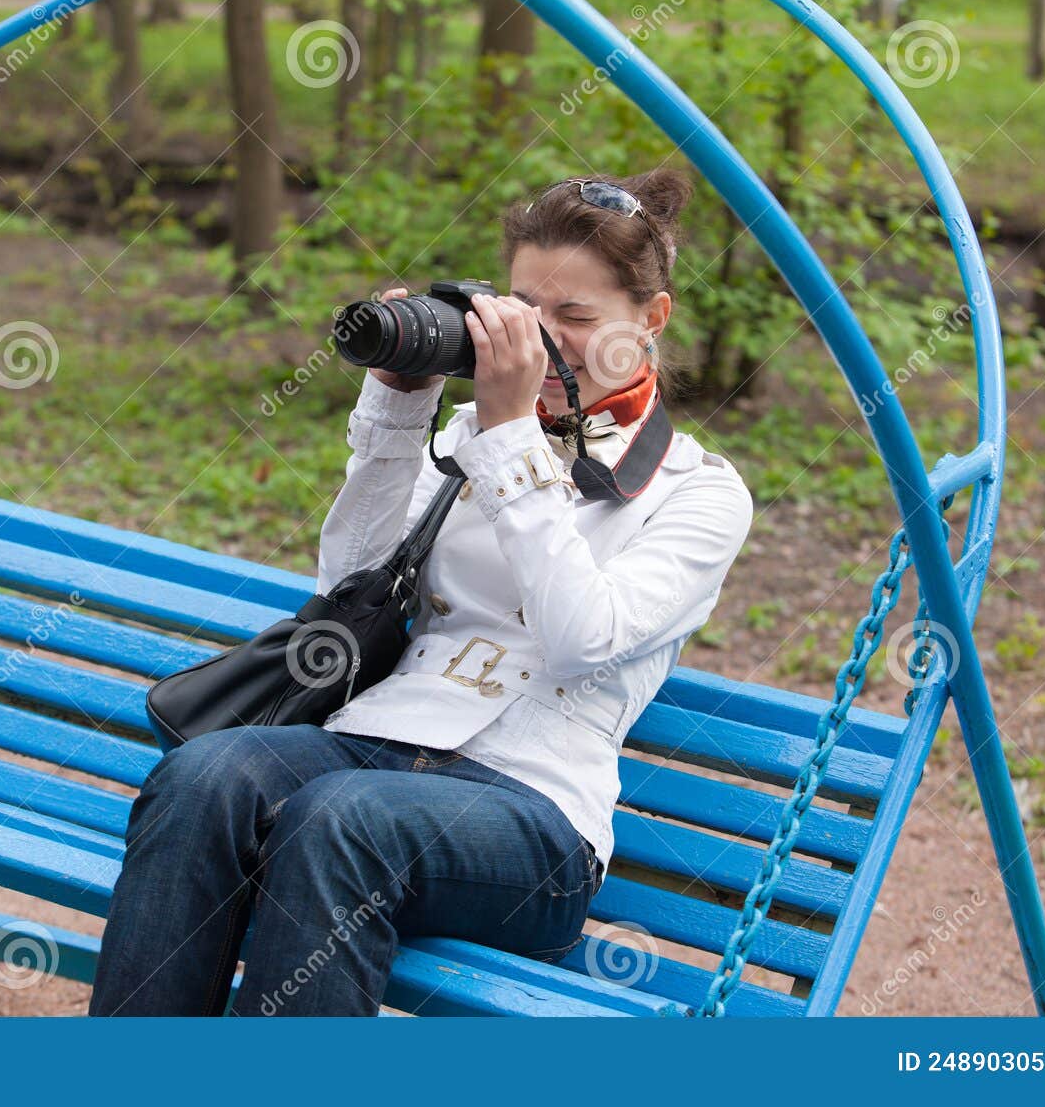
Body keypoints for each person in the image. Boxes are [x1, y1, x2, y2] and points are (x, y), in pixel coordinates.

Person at [89, 169, 753, 1017]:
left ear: (649, 320)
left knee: (341, 820)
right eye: (523, 310)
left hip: (532, 815)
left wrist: (511, 439)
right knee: (203, 777)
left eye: (576, 317)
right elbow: (349, 584)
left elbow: (584, 633)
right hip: (381, 745)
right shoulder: (470, 433)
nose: (543, 342)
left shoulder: (699, 492)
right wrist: (400, 416)